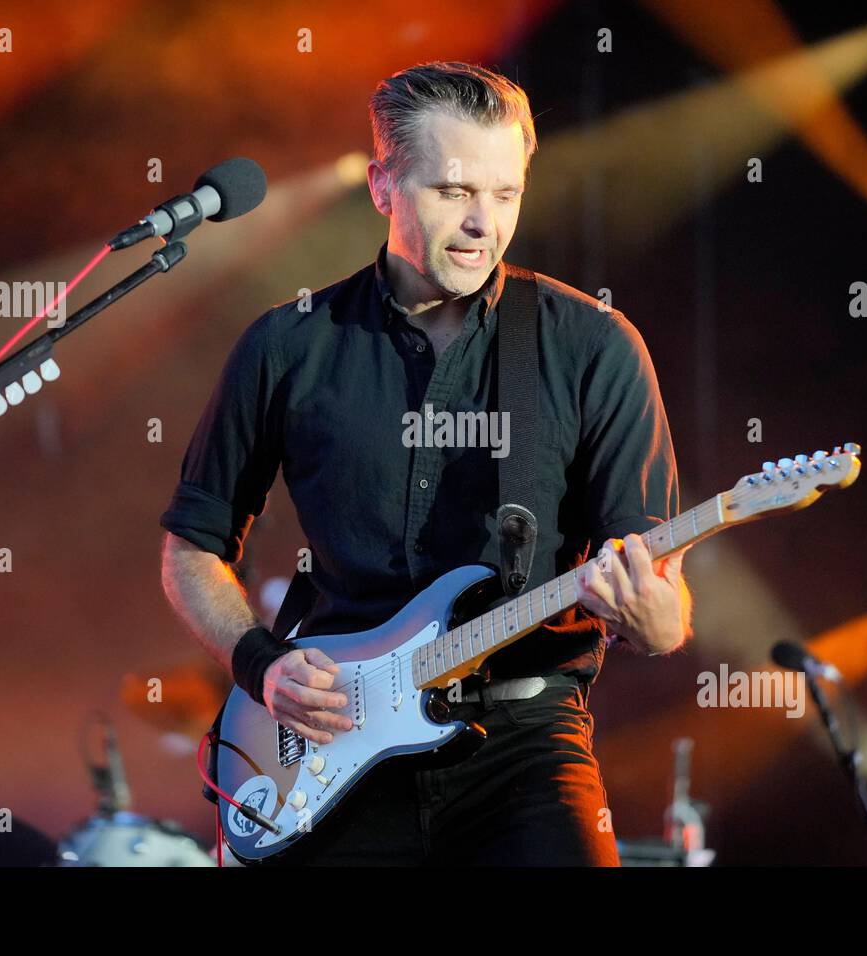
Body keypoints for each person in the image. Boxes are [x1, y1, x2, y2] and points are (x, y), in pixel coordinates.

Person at [160, 60, 692, 866]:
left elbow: (662, 603)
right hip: (332, 741)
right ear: (382, 185)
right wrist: (261, 667)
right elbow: (191, 548)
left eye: (505, 194)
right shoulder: (289, 345)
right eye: (454, 191)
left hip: (523, 739)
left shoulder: (593, 347)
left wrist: (656, 619)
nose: (484, 222)